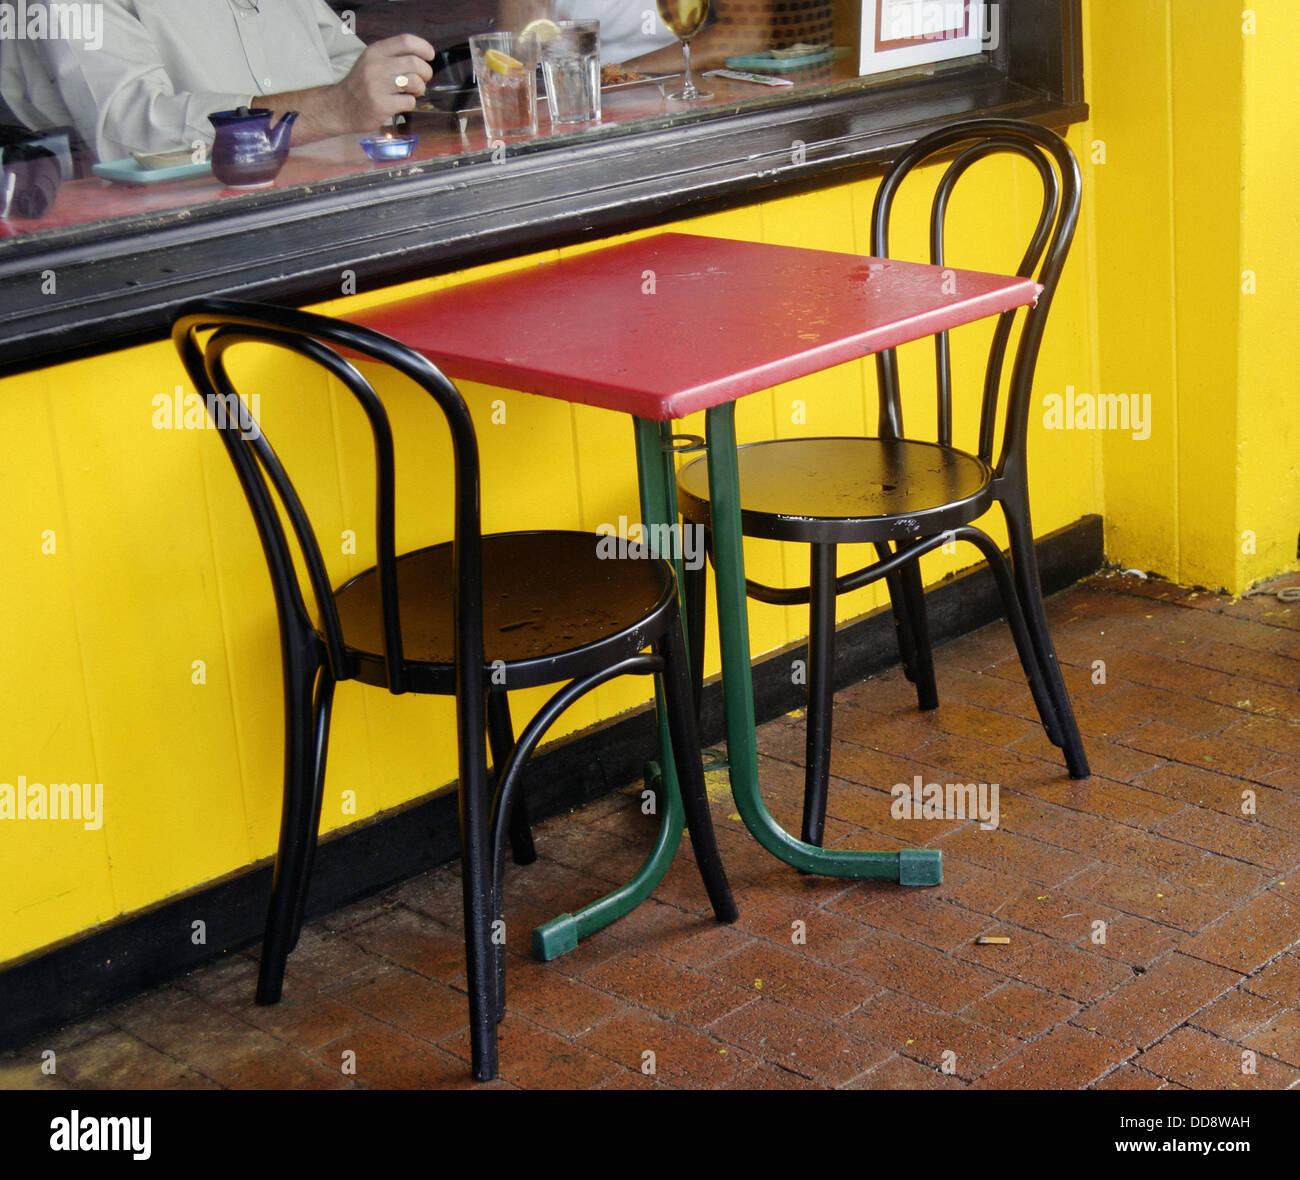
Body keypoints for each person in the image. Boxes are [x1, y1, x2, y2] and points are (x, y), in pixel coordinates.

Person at [0, 0, 436, 163]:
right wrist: (329, 109)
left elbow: (351, 71)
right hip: (194, 260)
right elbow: (130, 131)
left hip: (348, 223)